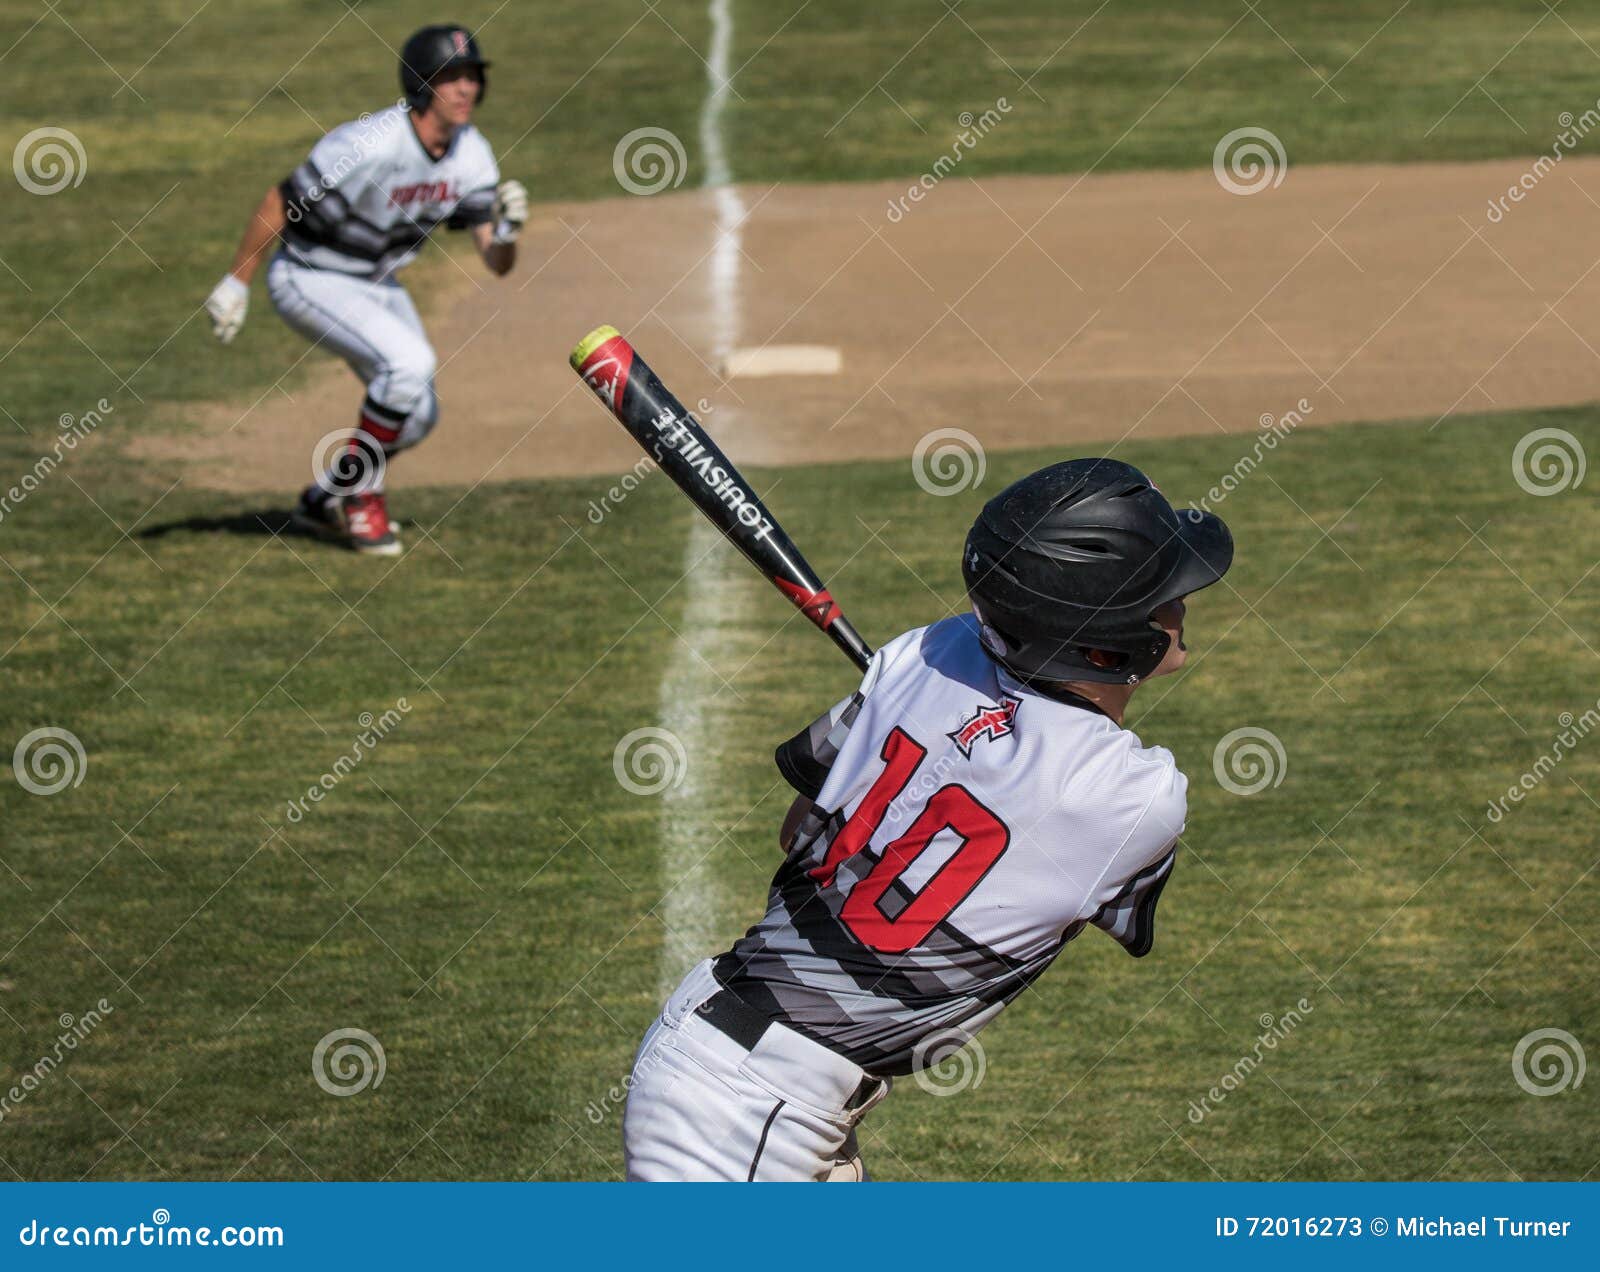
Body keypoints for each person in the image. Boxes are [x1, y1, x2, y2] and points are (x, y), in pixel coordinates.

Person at [622, 457, 1234, 1180]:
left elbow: (799, 830)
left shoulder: (924, 652)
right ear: (1113, 636)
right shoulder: (1135, 795)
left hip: (747, 1078)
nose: (1184, 600)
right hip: (744, 1115)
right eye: (1166, 591)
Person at [204, 24, 526, 555]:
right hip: (310, 275)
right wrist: (237, 279)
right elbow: (282, 199)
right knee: (408, 366)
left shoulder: (473, 154)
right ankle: (361, 500)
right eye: (453, 78)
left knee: (417, 415)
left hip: (376, 283)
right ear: (422, 84)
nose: (467, 89)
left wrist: (509, 230)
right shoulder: (370, 143)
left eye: (473, 78)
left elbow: (496, 261)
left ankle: (321, 500)